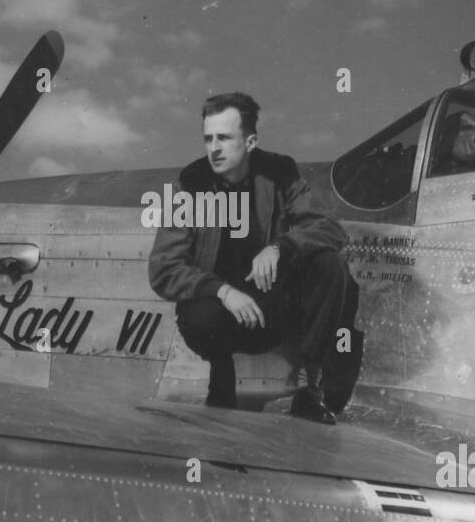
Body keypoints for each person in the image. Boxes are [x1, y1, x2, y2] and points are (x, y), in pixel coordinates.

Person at [148, 92, 355, 424]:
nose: (214, 148)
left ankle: (309, 388)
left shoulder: (280, 173)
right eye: (208, 138)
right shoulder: (192, 184)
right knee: (199, 313)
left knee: (330, 265)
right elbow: (163, 268)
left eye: (224, 138)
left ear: (250, 141)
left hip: (272, 309)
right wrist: (224, 292)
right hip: (220, 316)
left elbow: (328, 228)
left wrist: (280, 247)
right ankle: (221, 382)